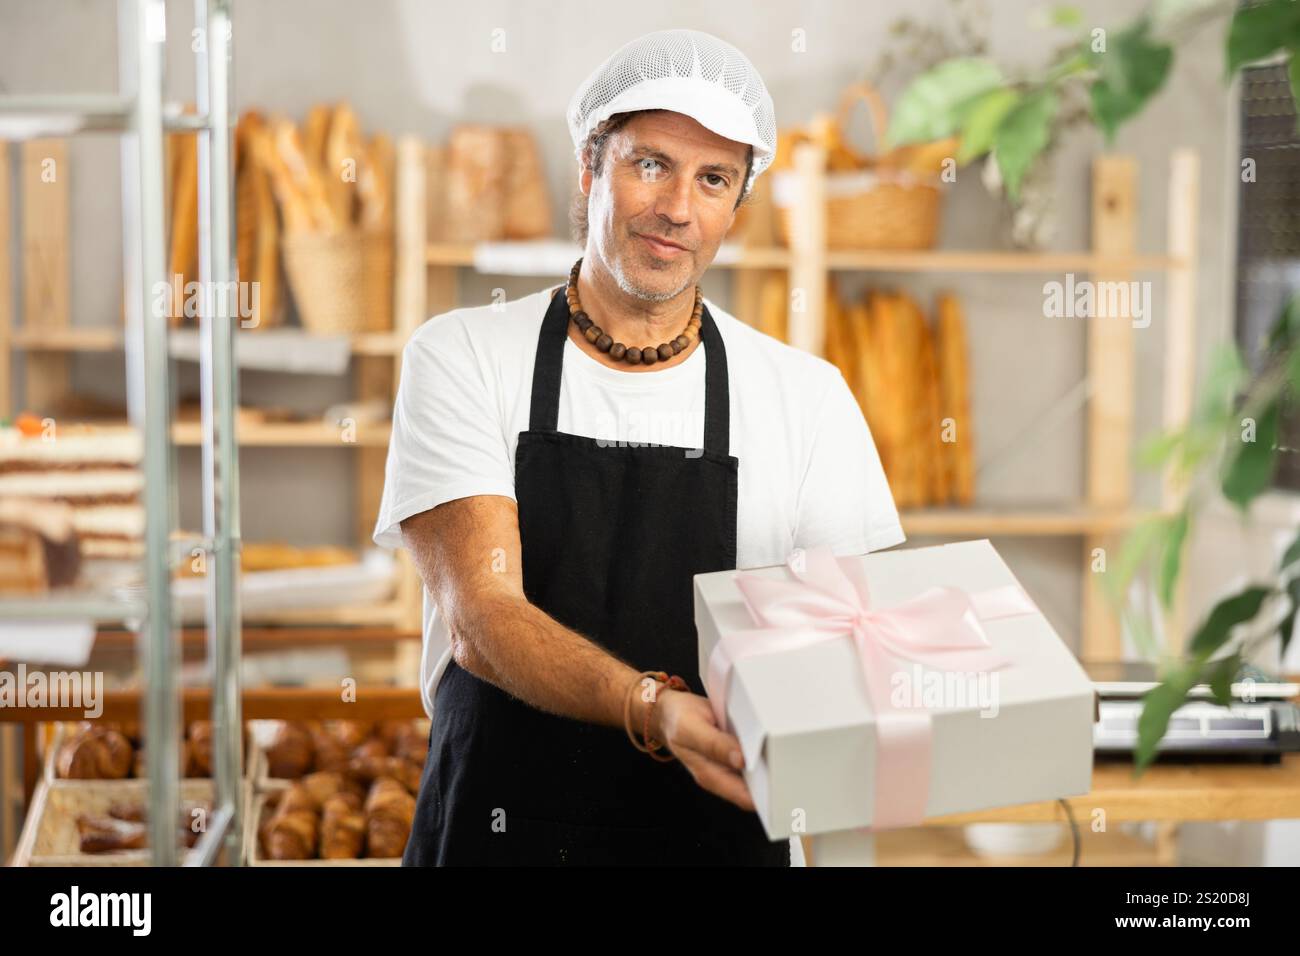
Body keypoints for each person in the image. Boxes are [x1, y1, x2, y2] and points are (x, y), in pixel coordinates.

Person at [373, 28, 904, 866]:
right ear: (588, 170)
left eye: (713, 179)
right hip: (500, 829)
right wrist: (654, 708)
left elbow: (851, 652)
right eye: (650, 163)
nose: (678, 208)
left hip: (716, 834)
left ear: (737, 208)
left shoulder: (806, 397)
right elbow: (482, 615)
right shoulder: (463, 354)